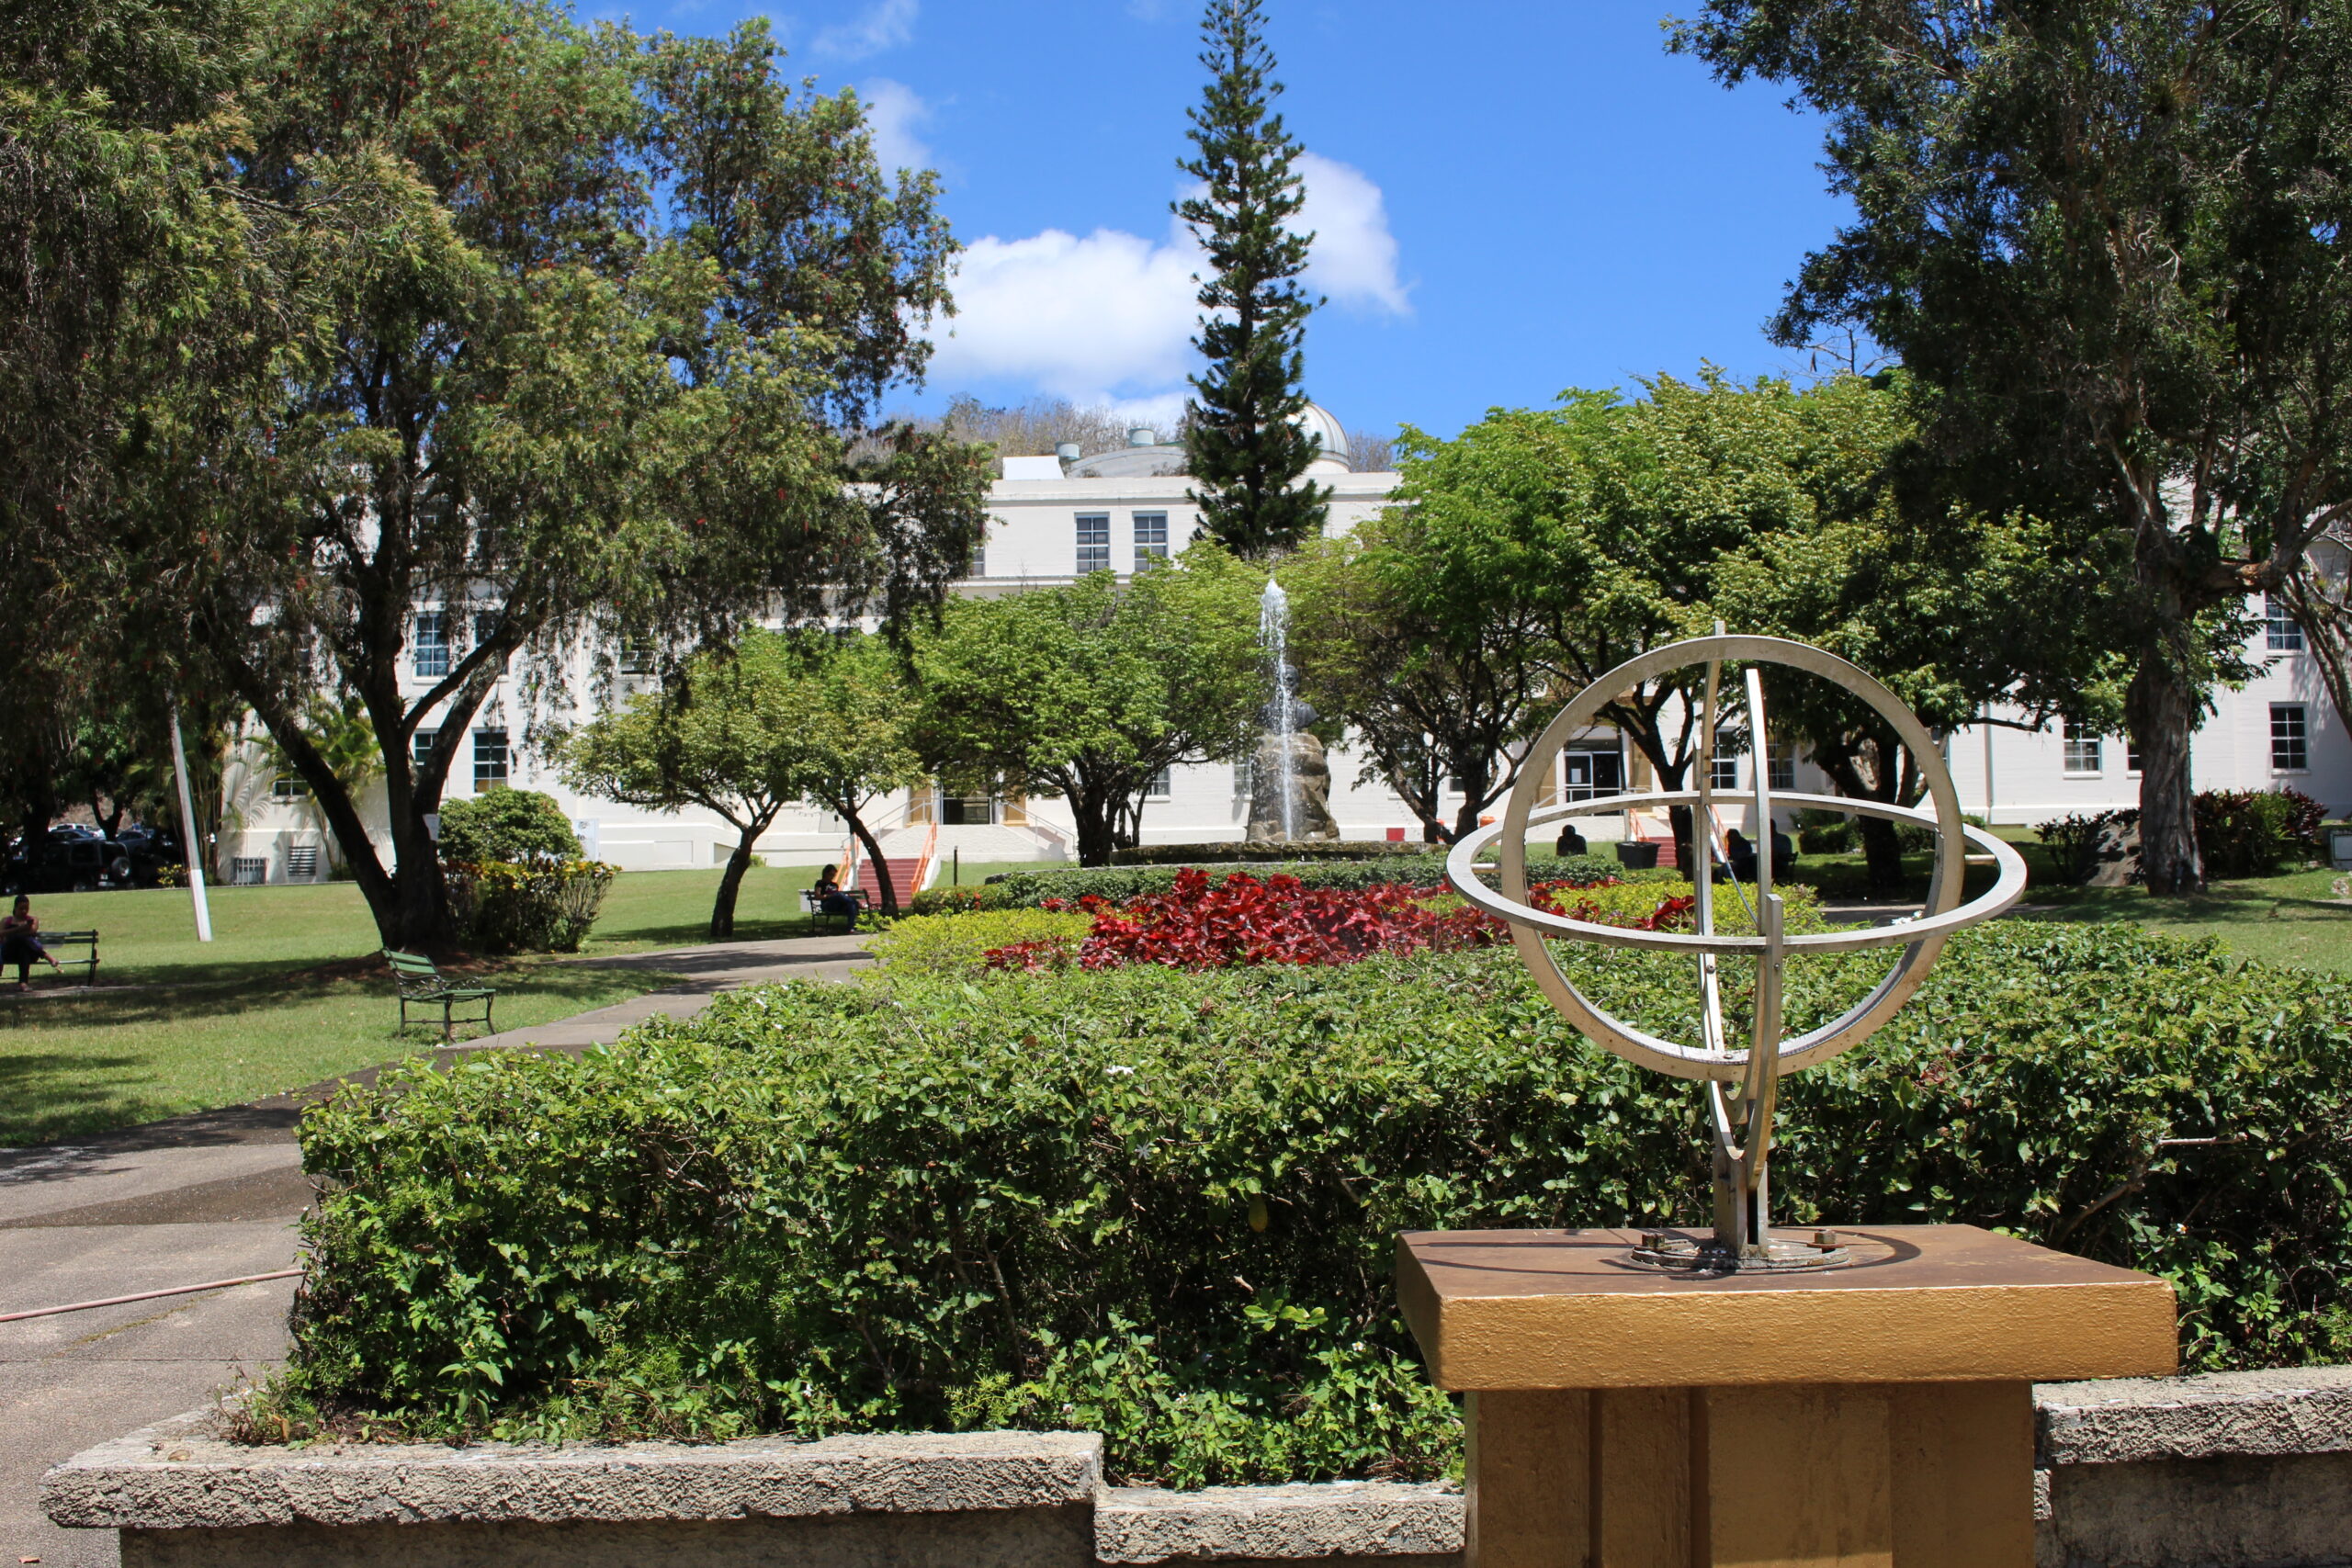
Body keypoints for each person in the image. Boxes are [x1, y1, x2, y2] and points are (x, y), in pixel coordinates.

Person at [2, 895, 62, 990]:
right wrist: (23, 928)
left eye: (26, 908)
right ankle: (47, 957)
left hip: (31, 953)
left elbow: (32, 931)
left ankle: (23, 983)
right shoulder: (6, 920)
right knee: (19, 939)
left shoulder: (33, 920)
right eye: (21, 908)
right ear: (15, 907)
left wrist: (11, 932)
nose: (24, 911)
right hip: (10, 953)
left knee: (23, 948)